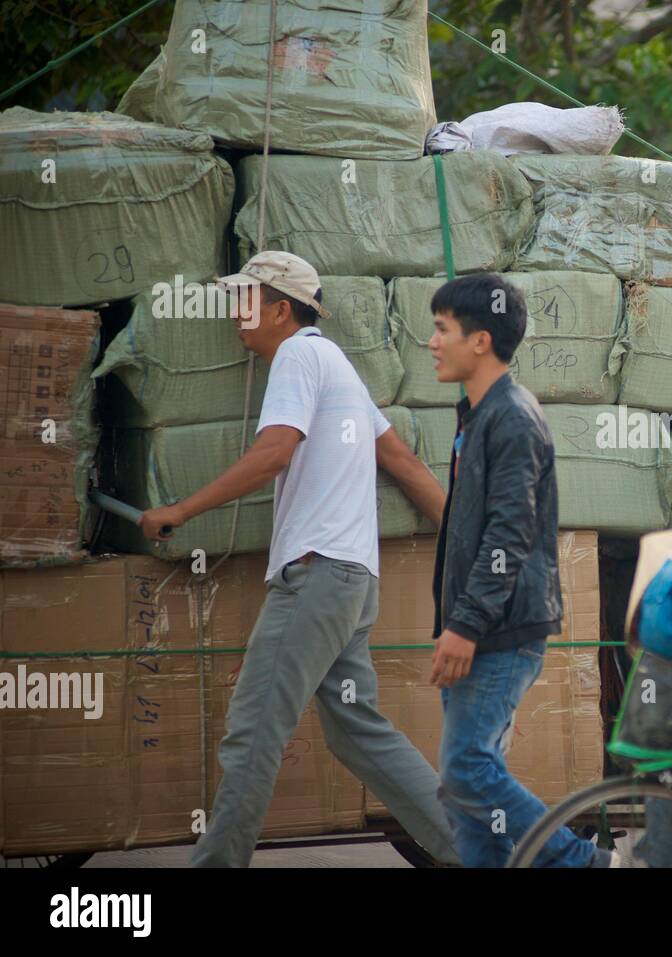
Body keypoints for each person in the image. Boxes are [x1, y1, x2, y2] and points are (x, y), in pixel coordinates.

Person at [140, 251, 460, 867]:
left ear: (281, 311)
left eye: (247, 302)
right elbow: (403, 463)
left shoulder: (295, 356)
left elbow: (274, 452)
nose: (237, 315)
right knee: (359, 734)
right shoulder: (334, 364)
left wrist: (181, 511)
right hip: (353, 583)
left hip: (315, 578)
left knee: (253, 730)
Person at [426, 273, 611, 867]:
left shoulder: (511, 418)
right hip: (482, 623)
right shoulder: (479, 415)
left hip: (501, 628)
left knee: (466, 769)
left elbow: (509, 533)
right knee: (468, 794)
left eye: (441, 329)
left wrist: (467, 623)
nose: (432, 342)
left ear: (480, 340)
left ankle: (583, 863)